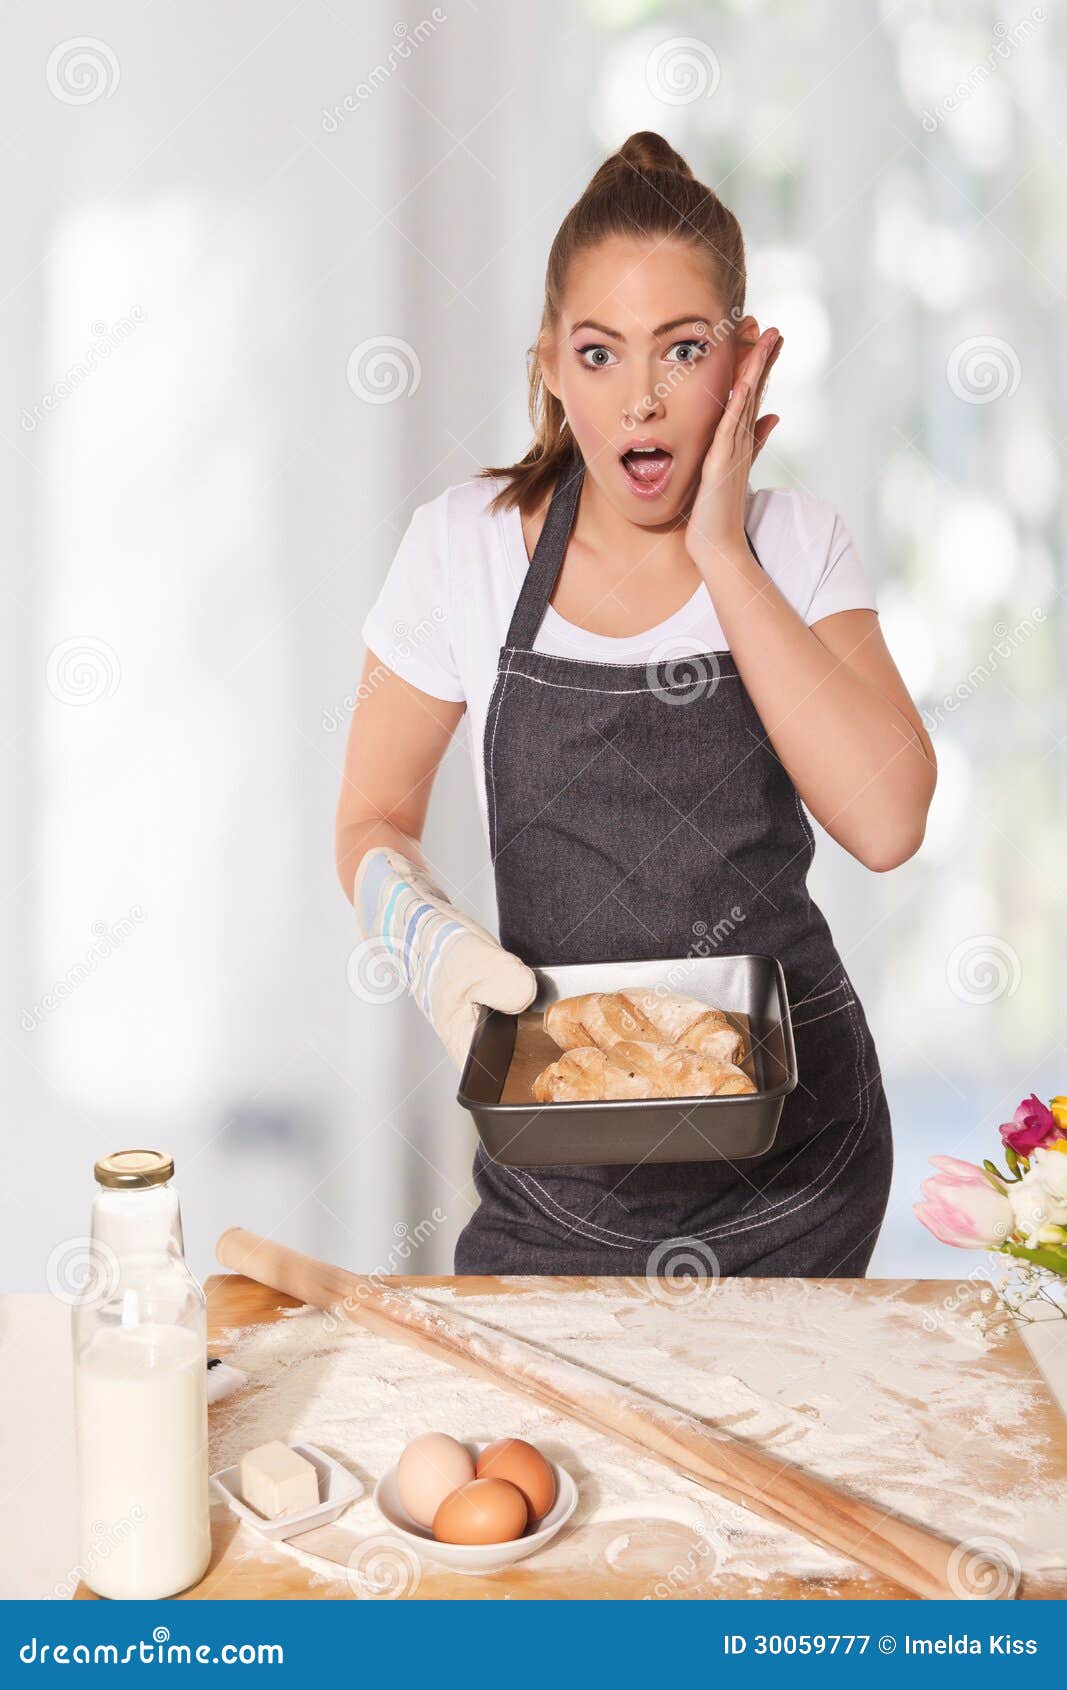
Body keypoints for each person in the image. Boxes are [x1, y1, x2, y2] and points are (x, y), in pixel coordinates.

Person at [335, 130, 936, 1278]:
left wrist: (722, 553)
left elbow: (887, 819)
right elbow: (368, 819)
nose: (641, 401)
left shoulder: (791, 546)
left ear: (744, 365)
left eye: (683, 349)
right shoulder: (460, 550)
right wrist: (433, 946)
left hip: (795, 1173)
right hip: (556, 1175)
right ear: (550, 367)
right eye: (599, 354)